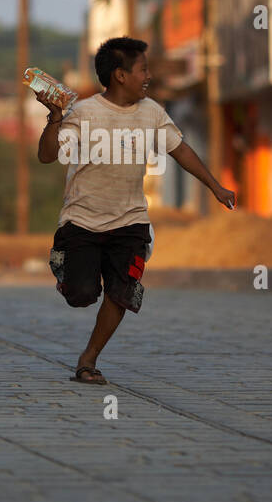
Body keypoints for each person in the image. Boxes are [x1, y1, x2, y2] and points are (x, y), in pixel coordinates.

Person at [36, 36, 235, 384]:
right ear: (119, 75)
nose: (148, 76)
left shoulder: (152, 113)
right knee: (82, 295)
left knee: (122, 293)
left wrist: (215, 186)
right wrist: (54, 119)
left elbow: (181, 150)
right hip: (81, 222)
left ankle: (89, 360)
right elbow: (47, 155)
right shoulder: (83, 112)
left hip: (131, 222)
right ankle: (66, 267)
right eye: (142, 69)